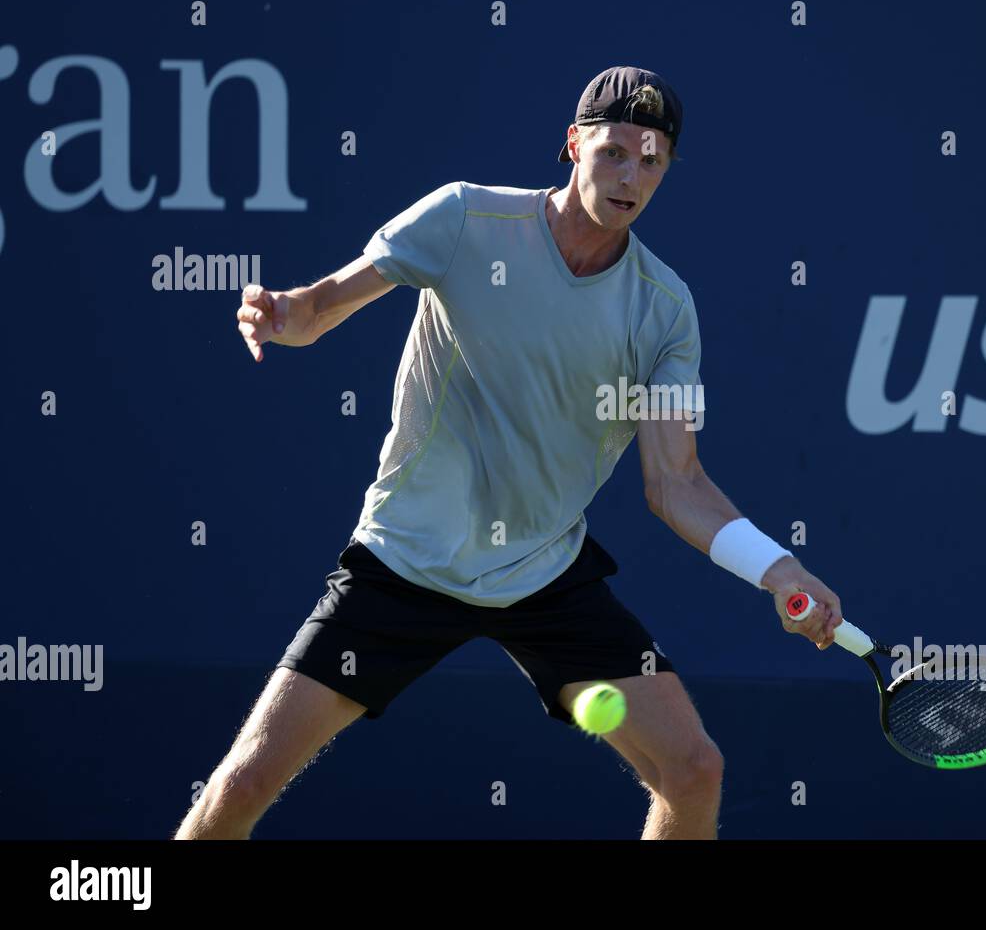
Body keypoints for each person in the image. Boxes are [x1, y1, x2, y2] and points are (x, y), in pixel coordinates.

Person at [175, 66, 843, 841]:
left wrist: (780, 569)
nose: (632, 176)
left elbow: (676, 482)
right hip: (406, 561)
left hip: (542, 574)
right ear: (572, 145)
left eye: (653, 159)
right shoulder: (464, 220)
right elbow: (321, 307)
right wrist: (284, 312)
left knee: (694, 771)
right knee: (246, 779)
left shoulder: (665, 312)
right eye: (615, 152)